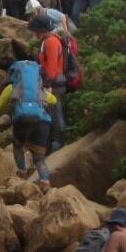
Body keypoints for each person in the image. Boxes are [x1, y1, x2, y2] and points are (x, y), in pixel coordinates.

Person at [0, 60, 59, 183]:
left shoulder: (12, 88)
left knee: (17, 146)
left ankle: (22, 173)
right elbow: (54, 100)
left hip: (22, 121)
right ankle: (45, 182)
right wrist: (48, 94)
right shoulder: (39, 90)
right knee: (39, 159)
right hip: (43, 124)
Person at [32, 11, 74, 152]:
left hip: (53, 84)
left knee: (55, 113)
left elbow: (51, 68)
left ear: (39, 31)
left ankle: (59, 142)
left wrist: (47, 85)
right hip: (54, 82)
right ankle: (53, 141)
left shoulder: (50, 42)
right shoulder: (51, 40)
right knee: (52, 112)